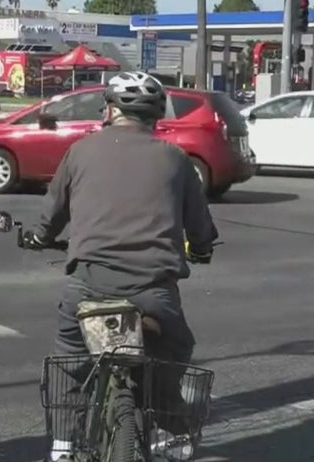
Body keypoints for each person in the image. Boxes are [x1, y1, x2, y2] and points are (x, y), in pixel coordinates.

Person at [27, 71, 219, 462]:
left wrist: (37, 236)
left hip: (89, 286)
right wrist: (200, 247)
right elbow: (201, 227)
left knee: (70, 353)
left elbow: (51, 215)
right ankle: (167, 426)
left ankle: (63, 445)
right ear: (155, 116)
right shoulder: (176, 158)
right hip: (154, 292)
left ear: (109, 111)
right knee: (175, 347)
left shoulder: (81, 151)